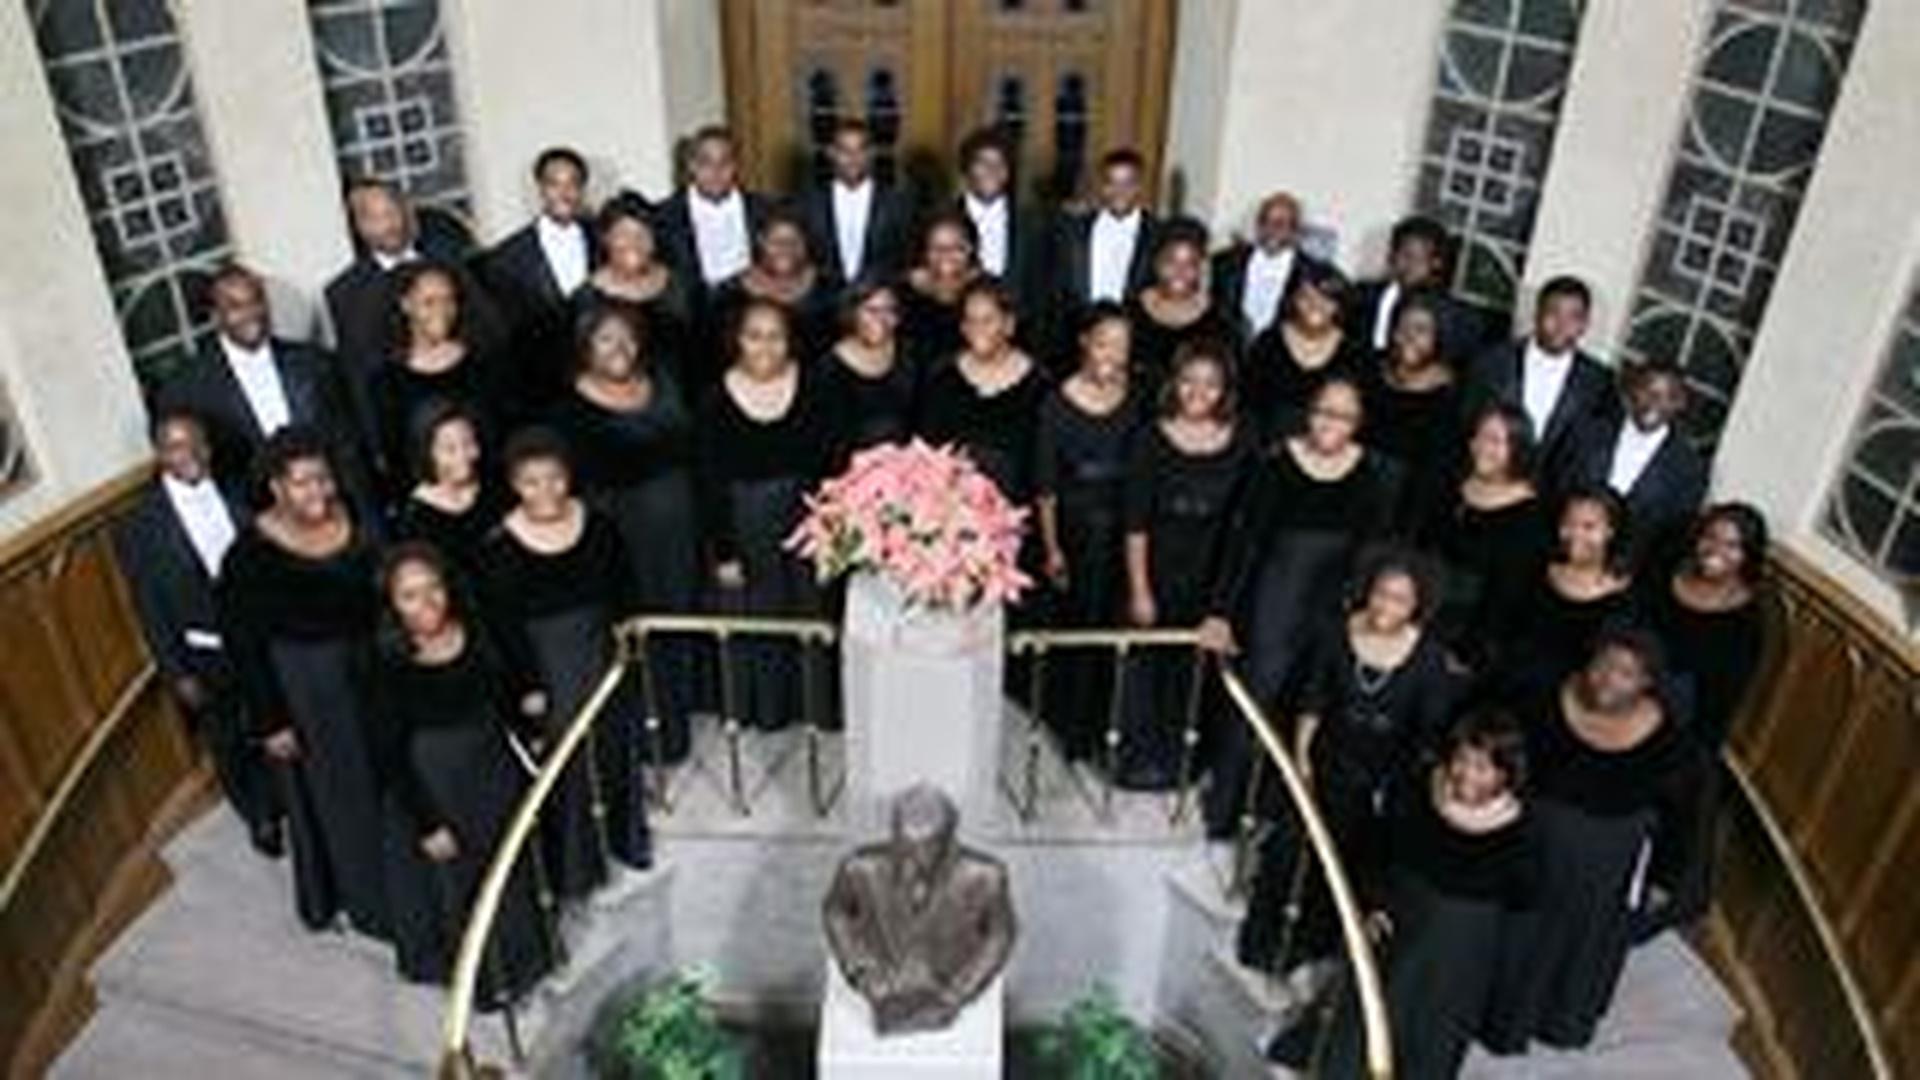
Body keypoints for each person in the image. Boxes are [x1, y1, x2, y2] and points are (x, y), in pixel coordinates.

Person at [1237, 549, 1456, 981]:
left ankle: (1311, 945)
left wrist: (1400, 787)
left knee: (1341, 865)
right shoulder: (1335, 634)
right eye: (1380, 593)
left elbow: (1427, 732)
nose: (1385, 606)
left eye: (1399, 599)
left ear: (1416, 606)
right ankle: (1264, 943)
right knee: (1289, 855)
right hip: (1325, 764)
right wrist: (1301, 762)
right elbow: (1312, 700)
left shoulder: (1428, 659)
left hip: (1376, 781)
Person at [1485, 629, 1706, 1053]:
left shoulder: (1667, 738)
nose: (1607, 678)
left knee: (1575, 948)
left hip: (1602, 867)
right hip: (1534, 848)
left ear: (1645, 683)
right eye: (1603, 664)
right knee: (1518, 938)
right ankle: (1501, 1019)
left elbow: (1682, 816)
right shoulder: (1546, 699)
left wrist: (1663, 878)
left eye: (1625, 673)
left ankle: (1556, 1022)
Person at [1201, 376, 1400, 837]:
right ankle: (1227, 808)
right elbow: (1243, 544)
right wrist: (1221, 610)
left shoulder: (1374, 475)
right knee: (1256, 699)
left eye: (1344, 415)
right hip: (1275, 598)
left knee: (1309, 706)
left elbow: (1373, 552)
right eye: (1324, 411)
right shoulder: (1273, 464)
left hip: (1334, 605)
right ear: (1309, 412)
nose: (1332, 422)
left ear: (1358, 424)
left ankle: (1275, 810)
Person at [217, 426, 387, 935]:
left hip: (371, 668)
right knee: (342, 793)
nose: (317, 492)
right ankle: (369, 900)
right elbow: (244, 648)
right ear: (276, 488)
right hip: (309, 688)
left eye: (322, 479)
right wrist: (272, 721)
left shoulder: (354, 516)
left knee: (386, 779)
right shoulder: (249, 554)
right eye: (302, 483)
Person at [1317, 711, 1541, 1079]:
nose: (1466, 774)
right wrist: (1373, 904)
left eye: (1483, 768)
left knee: (1431, 1027)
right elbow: (1381, 850)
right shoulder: (1421, 789)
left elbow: (1526, 896)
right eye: (1463, 760)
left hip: (1458, 951)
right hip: (1400, 923)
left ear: (1505, 774)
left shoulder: (1520, 829)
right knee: (1372, 1011)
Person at [373, 544, 553, 998]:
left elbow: (499, 695)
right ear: (392, 604)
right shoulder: (386, 658)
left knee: (510, 864)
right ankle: (489, 981)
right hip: (437, 779)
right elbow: (388, 753)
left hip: (491, 765)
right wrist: (427, 823)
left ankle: (528, 961)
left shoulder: (473, 629)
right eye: (410, 595)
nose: (427, 602)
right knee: (463, 882)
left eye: (433, 587)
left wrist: (527, 722)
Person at [478, 428, 647, 896]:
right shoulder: (499, 546)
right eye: (532, 481)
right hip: (548, 666)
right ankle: (580, 866)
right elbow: (503, 626)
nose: (545, 490)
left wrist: (625, 637)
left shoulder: (598, 524)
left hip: (599, 651)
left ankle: (624, 839)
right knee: (568, 763)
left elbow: (623, 586)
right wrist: (527, 686)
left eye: (554, 477)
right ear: (515, 484)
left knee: (614, 746)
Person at [116, 409, 281, 856]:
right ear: (159, 454)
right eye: (174, 446)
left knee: (275, 718)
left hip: (260, 633)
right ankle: (259, 815)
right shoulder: (140, 524)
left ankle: (289, 800)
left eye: (195, 444)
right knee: (229, 740)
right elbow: (147, 604)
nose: (187, 454)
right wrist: (176, 672)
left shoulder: (237, 490)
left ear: (207, 447)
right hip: (202, 650)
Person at [547, 304, 701, 763]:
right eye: (605, 339)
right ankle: (653, 737)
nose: (620, 348)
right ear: (585, 347)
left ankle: (680, 716)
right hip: (624, 538)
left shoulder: (665, 381)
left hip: (677, 533)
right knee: (636, 634)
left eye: (627, 337)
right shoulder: (567, 409)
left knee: (678, 620)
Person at [696, 299, 840, 730]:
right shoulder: (714, 398)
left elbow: (833, 464)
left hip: (805, 516)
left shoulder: (815, 387)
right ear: (737, 340)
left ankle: (812, 707)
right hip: (744, 523)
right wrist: (724, 551)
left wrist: (831, 528)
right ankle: (765, 709)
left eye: (775, 335)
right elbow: (708, 481)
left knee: (809, 611)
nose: (765, 345)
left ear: (789, 340)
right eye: (753, 335)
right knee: (757, 616)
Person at [1119, 342, 1256, 790]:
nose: (1199, 391)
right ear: (1174, 384)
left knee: (1194, 671)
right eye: (1189, 381)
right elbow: (1135, 520)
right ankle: (1136, 762)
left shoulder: (1245, 436)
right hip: (1156, 567)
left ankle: (1182, 763)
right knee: (1144, 665)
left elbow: (1242, 527)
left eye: (1211, 384)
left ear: (1225, 391)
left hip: (1212, 571)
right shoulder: (1149, 437)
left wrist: (1224, 600)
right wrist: (1140, 588)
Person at [160, 264, 373, 514]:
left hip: (332, 509)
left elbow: (350, 450)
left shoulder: (315, 363)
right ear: (216, 316)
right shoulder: (188, 388)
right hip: (258, 522)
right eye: (235, 306)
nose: (251, 313)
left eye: (256, 301)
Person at [1034, 303, 1144, 758]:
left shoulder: (1141, 396)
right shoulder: (1057, 403)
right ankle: (1072, 732)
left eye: (1121, 345)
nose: (1112, 354)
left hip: (1127, 530)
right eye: (1104, 342)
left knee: (1115, 633)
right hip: (1078, 533)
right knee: (1079, 632)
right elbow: (1045, 486)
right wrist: (1053, 548)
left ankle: (1106, 729)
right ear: (1085, 342)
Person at [324, 178, 505, 444]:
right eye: (376, 217)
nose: (389, 225)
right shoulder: (344, 292)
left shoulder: (450, 261)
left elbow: (489, 332)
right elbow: (358, 376)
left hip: (473, 412)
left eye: (393, 211)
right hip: (405, 428)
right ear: (360, 226)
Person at [1419, 403, 1553, 670]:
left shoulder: (1531, 515)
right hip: (1422, 610)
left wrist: (1467, 651)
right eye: (1478, 436)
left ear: (1518, 448)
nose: (1481, 447)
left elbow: (1507, 596)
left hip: (1464, 636)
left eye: (1494, 440)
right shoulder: (1455, 484)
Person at [372, 261, 507, 497]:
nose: (442, 311)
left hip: (492, 492)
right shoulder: (387, 380)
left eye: (449, 300)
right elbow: (395, 457)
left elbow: (504, 434)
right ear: (406, 305)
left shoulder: (484, 363)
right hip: (429, 502)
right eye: (429, 302)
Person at [918, 280, 1050, 520]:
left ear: (1009, 325)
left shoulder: (1040, 386)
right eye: (970, 321)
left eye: (988, 320)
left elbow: (1042, 468)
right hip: (951, 515)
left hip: (1015, 519)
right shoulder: (942, 377)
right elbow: (928, 453)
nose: (977, 329)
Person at [480, 147, 598, 411]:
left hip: (606, 377)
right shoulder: (505, 259)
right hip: (543, 391)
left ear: (583, 188)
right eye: (554, 183)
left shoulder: (604, 239)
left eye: (572, 183)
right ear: (540, 189)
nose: (564, 193)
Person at [1558, 359, 1707, 566]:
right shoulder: (1588, 432)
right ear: (1630, 391)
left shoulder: (1689, 468)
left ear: (1680, 403)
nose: (1654, 401)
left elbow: (1675, 535)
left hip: (1630, 574)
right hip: (1562, 556)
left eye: (1668, 396)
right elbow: (1558, 489)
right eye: (1647, 390)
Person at [1646, 502, 1768, 754]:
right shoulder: (1666, 569)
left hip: (1676, 726)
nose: (1716, 550)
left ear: (1748, 554)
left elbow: (1720, 706)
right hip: (1624, 683)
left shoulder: (1746, 621)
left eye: (1732, 545)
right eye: (1710, 537)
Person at [1465, 275, 1616, 467]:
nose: (1562, 325)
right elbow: (1468, 422)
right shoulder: (1493, 361)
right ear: (1537, 313)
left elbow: (1590, 448)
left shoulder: (1598, 382)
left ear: (1585, 324)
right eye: (1553, 312)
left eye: (1573, 317)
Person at [1503, 487, 1638, 701]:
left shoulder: (1626, 597)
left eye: (1589, 526)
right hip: (1512, 686)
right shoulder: (1537, 569)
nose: (1574, 534)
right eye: (1568, 524)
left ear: (1611, 532)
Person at [1361, 292, 1463, 533]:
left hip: (1403, 510)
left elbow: (1436, 477)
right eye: (1402, 327)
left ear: (1439, 337)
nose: (1408, 337)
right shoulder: (1369, 370)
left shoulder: (1451, 396)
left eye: (1421, 330)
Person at [572, 193, 694, 387]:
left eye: (642, 234)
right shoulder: (584, 299)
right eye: (622, 234)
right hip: (615, 402)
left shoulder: (683, 285)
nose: (633, 243)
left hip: (680, 401)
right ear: (605, 239)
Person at [1241, 264, 1362, 444]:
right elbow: (1247, 405)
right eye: (1307, 296)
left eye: (1326, 298)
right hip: (1267, 450)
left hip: (1330, 452)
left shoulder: (1354, 352)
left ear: (1339, 305)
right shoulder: (1268, 343)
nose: (1315, 305)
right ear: (1293, 299)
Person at [393, 399, 508, 586]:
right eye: (449, 449)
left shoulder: (496, 486)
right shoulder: (415, 520)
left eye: (469, 443)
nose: (463, 455)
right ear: (427, 452)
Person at [710, 209, 838, 370]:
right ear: (759, 242)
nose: (785, 248)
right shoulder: (728, 294)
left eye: (794, 241)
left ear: (806, 244)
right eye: (775, 241)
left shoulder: (832, 290)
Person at [1052, 149, 1158, 344]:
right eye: (1112, 183)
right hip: (1077, 337)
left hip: (1135, 339)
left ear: (1139, 187)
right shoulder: (1074, 231)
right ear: (1101, 186)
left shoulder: (1157, 235)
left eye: (1128, 183)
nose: (1119, 191)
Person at [799, 117, 914, 292]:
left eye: (861, 149)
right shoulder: (808, 202)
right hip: (822, 303)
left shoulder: (898, 202)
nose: (853, 158)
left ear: (872, 153)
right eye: (844, 150)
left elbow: (906, 259)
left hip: (880, 301)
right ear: (831, 153)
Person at [1346, 215, 1483, 362]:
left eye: (1418, 257)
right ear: (1392, 255)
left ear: (1437, 263)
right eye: (1404, 254)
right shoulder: (1363, 295)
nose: (1409, 264)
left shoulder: (1453, 317)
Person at [655, 125, 770, 295]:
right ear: (691, 166)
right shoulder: (665, 216)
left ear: (736, 165)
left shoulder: (764, 210)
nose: (716, 171)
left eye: (725, 162)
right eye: (706, 162)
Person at [1124, 219, 1234, 395]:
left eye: (1190, 263)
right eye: (1171, 261)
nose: (1179, 272)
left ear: (1201, 268)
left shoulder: (1220, 322)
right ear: (1156, 263)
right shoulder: (1129, 313)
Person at [953, 126, 1048, 319]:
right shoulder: (942, 220)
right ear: (966, 168)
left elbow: (1041, 290)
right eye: (982, 162)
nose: (992, 170)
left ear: (1008, 171)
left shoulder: (1034, 223)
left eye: (1000, 163)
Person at [1211, 191, 1334, 342]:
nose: (1273, 229)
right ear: (1258, 225)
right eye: (1267, 220)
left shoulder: (1313, 274)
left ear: (1296, 231)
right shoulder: (1224, 263)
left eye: (1282, 223)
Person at [819, 281, 916, 454]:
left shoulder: (912, 355)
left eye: (890, 310)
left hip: (908, 463)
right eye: (871, 310)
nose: (881, 319)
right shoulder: (827, 369)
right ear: (851, 314)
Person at [898, 210, 986, 372]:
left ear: (971, 249)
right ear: (924, 252)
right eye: (936, 248)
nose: (946, 256)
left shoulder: (987, 291)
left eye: (957, 248)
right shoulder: (904, 294)